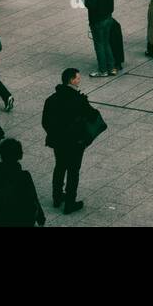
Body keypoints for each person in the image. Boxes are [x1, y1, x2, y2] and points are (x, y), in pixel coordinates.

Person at [42, 67, 93, 215]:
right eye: (77, 78)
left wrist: (55, 134)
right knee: (73, 171)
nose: (79, 80)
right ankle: (70, 203)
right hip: (75, 143)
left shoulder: (51, 99)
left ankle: (57, 197)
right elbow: (90, 117)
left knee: (60, 167)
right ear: (71, 80)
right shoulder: (79, 100)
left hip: (58, 142)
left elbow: (45, 122)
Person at [0, 138, 46, 227]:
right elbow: (33, 198)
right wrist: (41, 219)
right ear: (19, 155)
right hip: (21, 221)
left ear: (1, 155)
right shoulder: (24, 176)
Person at [85, 0, 117, 76]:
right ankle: (112, 68)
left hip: (97, 21)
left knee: (99, 45)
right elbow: (111, 1)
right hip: (108, 18)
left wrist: (85, 1)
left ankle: (103, 70)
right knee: (106, 43)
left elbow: (92, 6)